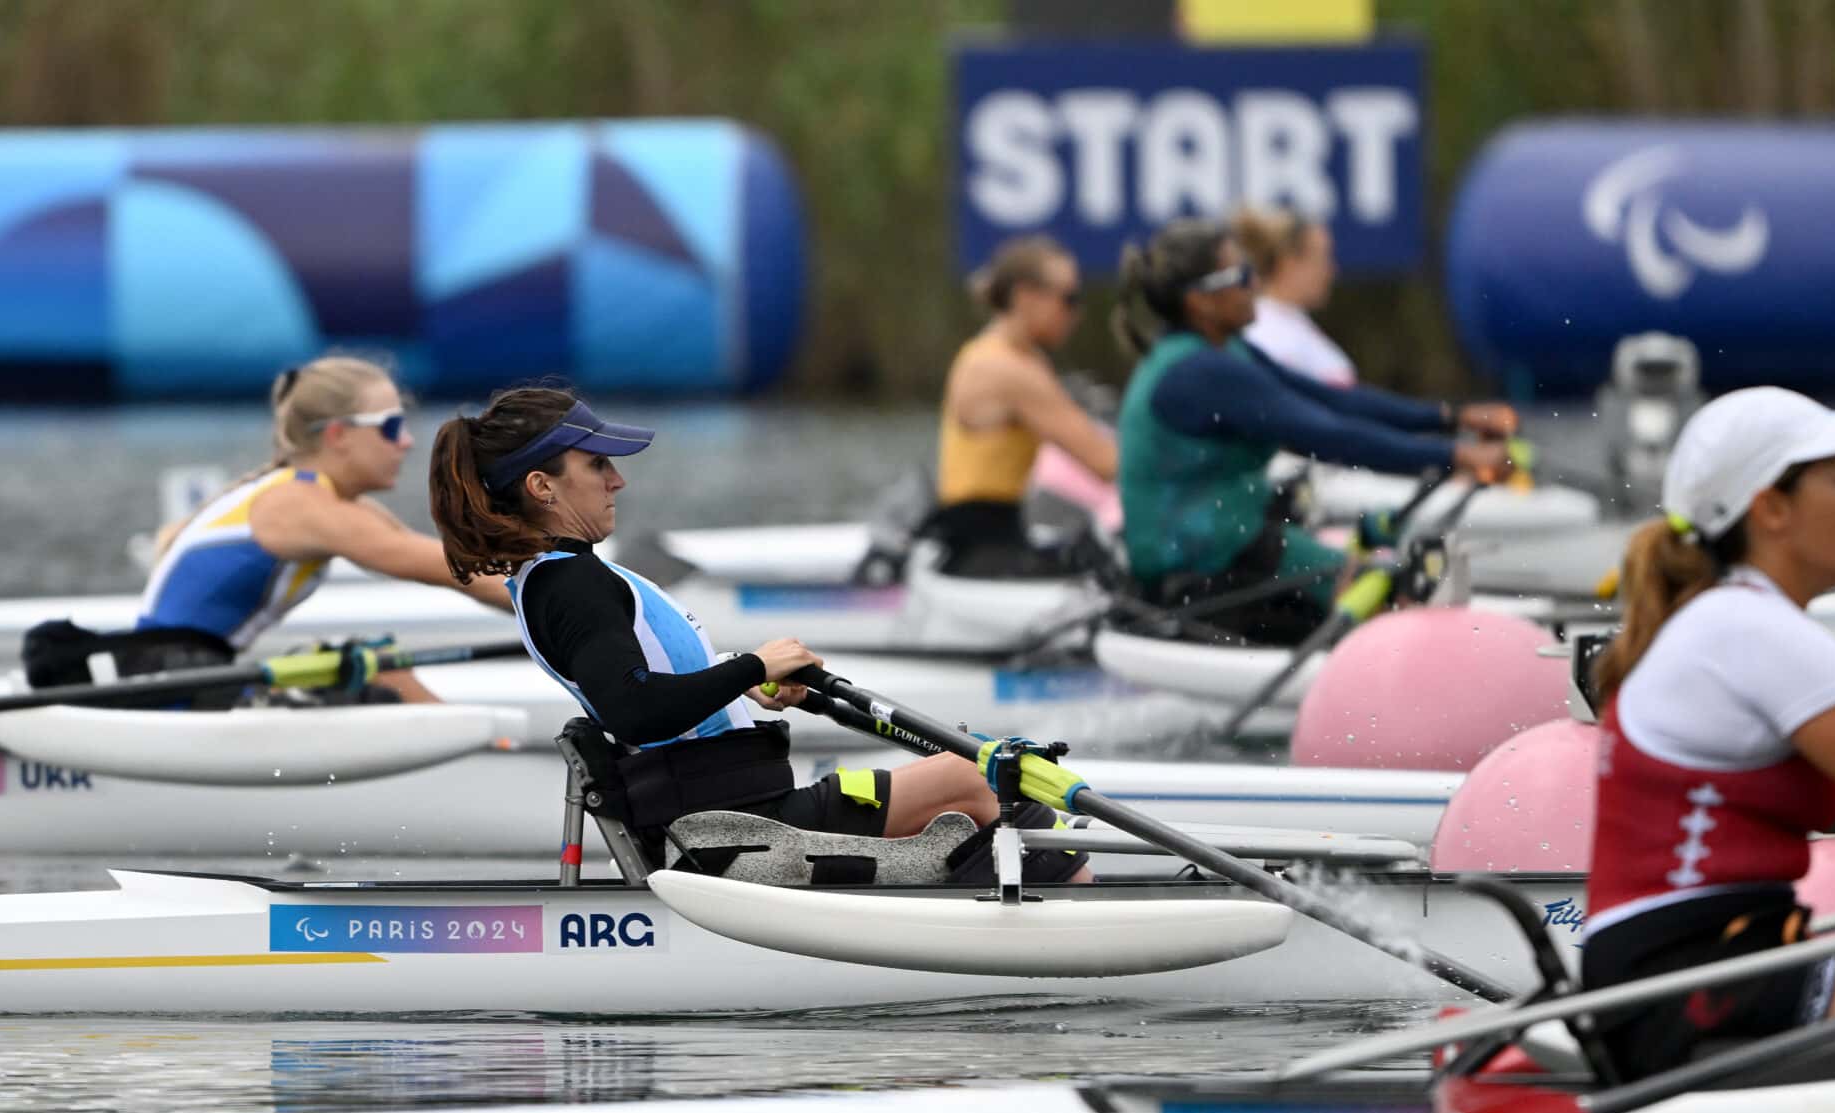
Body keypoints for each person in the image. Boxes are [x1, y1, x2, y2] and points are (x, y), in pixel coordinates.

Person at [428, 385, 1089, 881]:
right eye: (597, 464)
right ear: (542, 485)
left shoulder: (562, 579)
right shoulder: (569, 585)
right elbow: (635, 707)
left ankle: (1009, 908)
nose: (617, 478)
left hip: (735, 806)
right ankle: (1054, 925)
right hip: (741, 824)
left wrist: (751, 690)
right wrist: (751, 664)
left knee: (977, 769)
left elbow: (656, 689)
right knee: (983, 777)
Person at [1584, 386, 1835, 1081]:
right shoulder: (1751, 630)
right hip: (1685, 987)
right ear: (1771, 509)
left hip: (1691, 966)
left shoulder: (1731, 620)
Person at [1109, 218, 1514, 646]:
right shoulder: (1199, 373)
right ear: (1200, 301)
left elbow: (1334, 401)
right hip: (1201, 574)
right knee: (1403, 590)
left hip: (1239, 548)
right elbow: (1329, 436)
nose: (1254, 285)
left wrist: (1451, 418)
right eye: (1242, 276)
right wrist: (1456, 457)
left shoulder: (1226, 350)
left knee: (1387, 582)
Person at [72, 355, 515, 703]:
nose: (407, 441)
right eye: (392, 427)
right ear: (338, 435)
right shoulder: (303, 505)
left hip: (184, 674)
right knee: (380, 668)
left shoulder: (312, 497)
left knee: (376, 662)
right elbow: (463, 574)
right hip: (166, 686)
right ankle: (496, 769)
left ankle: (486, 765)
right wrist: (564, 608)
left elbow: (473, 565)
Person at [931, 236, 1119, 576]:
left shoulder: (1006, 355)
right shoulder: (1007, 370)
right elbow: (1106, 464)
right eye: (1069, 298)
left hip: (993, 537)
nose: (1076, 312)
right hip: (983, 554)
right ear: (1024, 296)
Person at [1235, 208, 1355, 387]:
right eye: (1322, 258)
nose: (1332, 270)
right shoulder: (1264, 334)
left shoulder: (1289, 323)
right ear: (1289, 264)